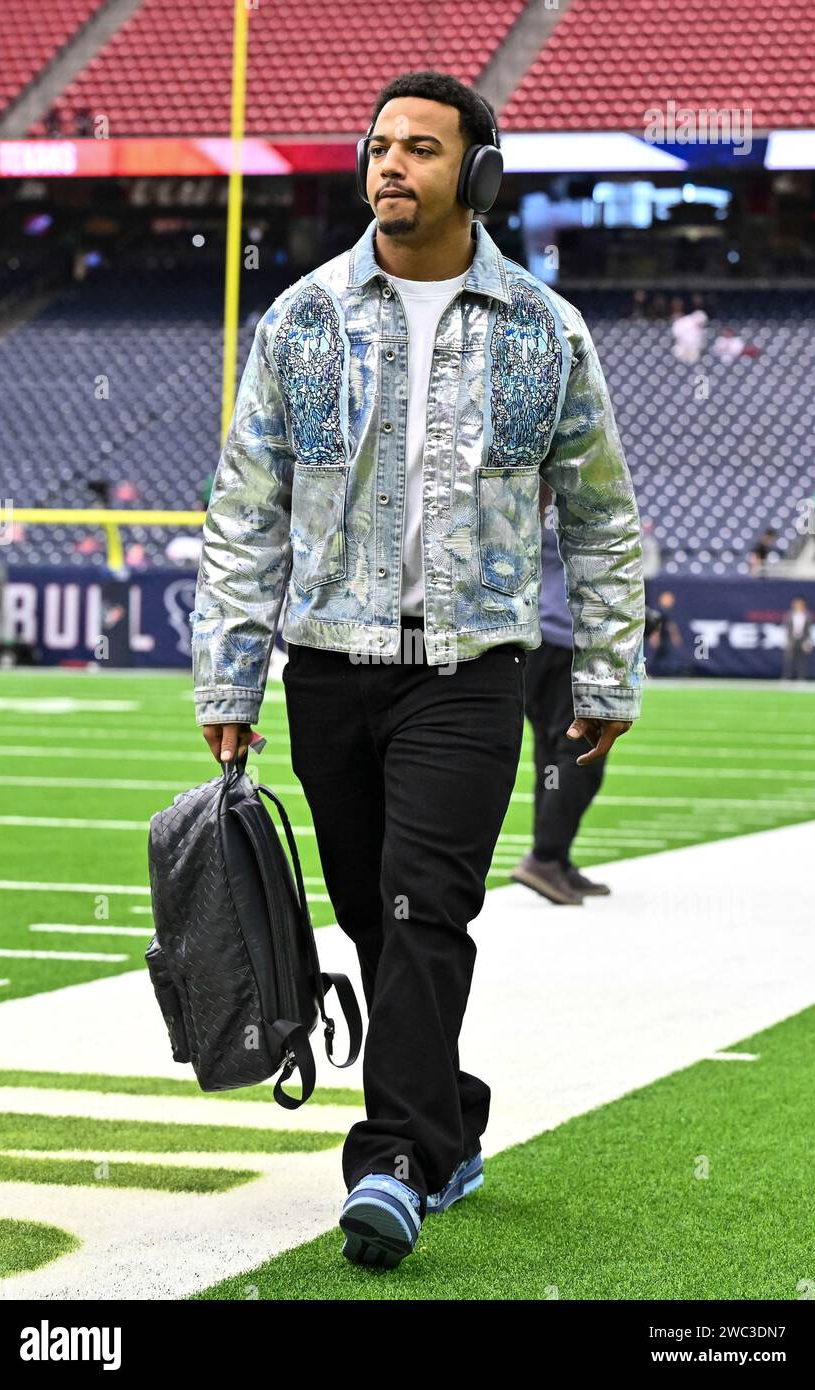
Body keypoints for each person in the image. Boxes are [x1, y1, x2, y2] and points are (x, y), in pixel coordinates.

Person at [190, 69, 646, 1270]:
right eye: (380, 146)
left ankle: (388, 1157)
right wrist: (228, 679)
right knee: (370, 918)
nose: (389, 166)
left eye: (420, 150)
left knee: (422, 901)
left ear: (476, 174)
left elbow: (599, 519)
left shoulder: (544, 332)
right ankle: (451, 1113)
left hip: (469, 670)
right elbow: (246, 511)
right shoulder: (299, 320)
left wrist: (604, 675)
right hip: (328, 668)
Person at [512, 496, 616, 905]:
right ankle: (545, 857)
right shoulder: (582, 503)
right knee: (583, 754)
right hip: (568, 640)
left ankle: (556, 860)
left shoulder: (522, 503)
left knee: (550, 755)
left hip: (533, 641)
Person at [647, 590, 683, 674]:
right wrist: (655, 636)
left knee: (662, 654)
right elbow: (658, 624)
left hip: (664, 636)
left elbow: (670, 625)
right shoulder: (660, 610)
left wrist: (675, 636)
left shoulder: (666, 611)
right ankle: (651, 671)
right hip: (662, 636)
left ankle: (655, 671)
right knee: (659, 654)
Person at [782, 596, 814, 680]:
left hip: (803, 639)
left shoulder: (807, 615)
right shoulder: (789, 614)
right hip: (792, 639)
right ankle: (787, 676)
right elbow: (786, 627)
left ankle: (801, 677)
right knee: (789, 659)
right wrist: (787, 639)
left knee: (802, 659)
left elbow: (809, 629)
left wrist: (807, 641)